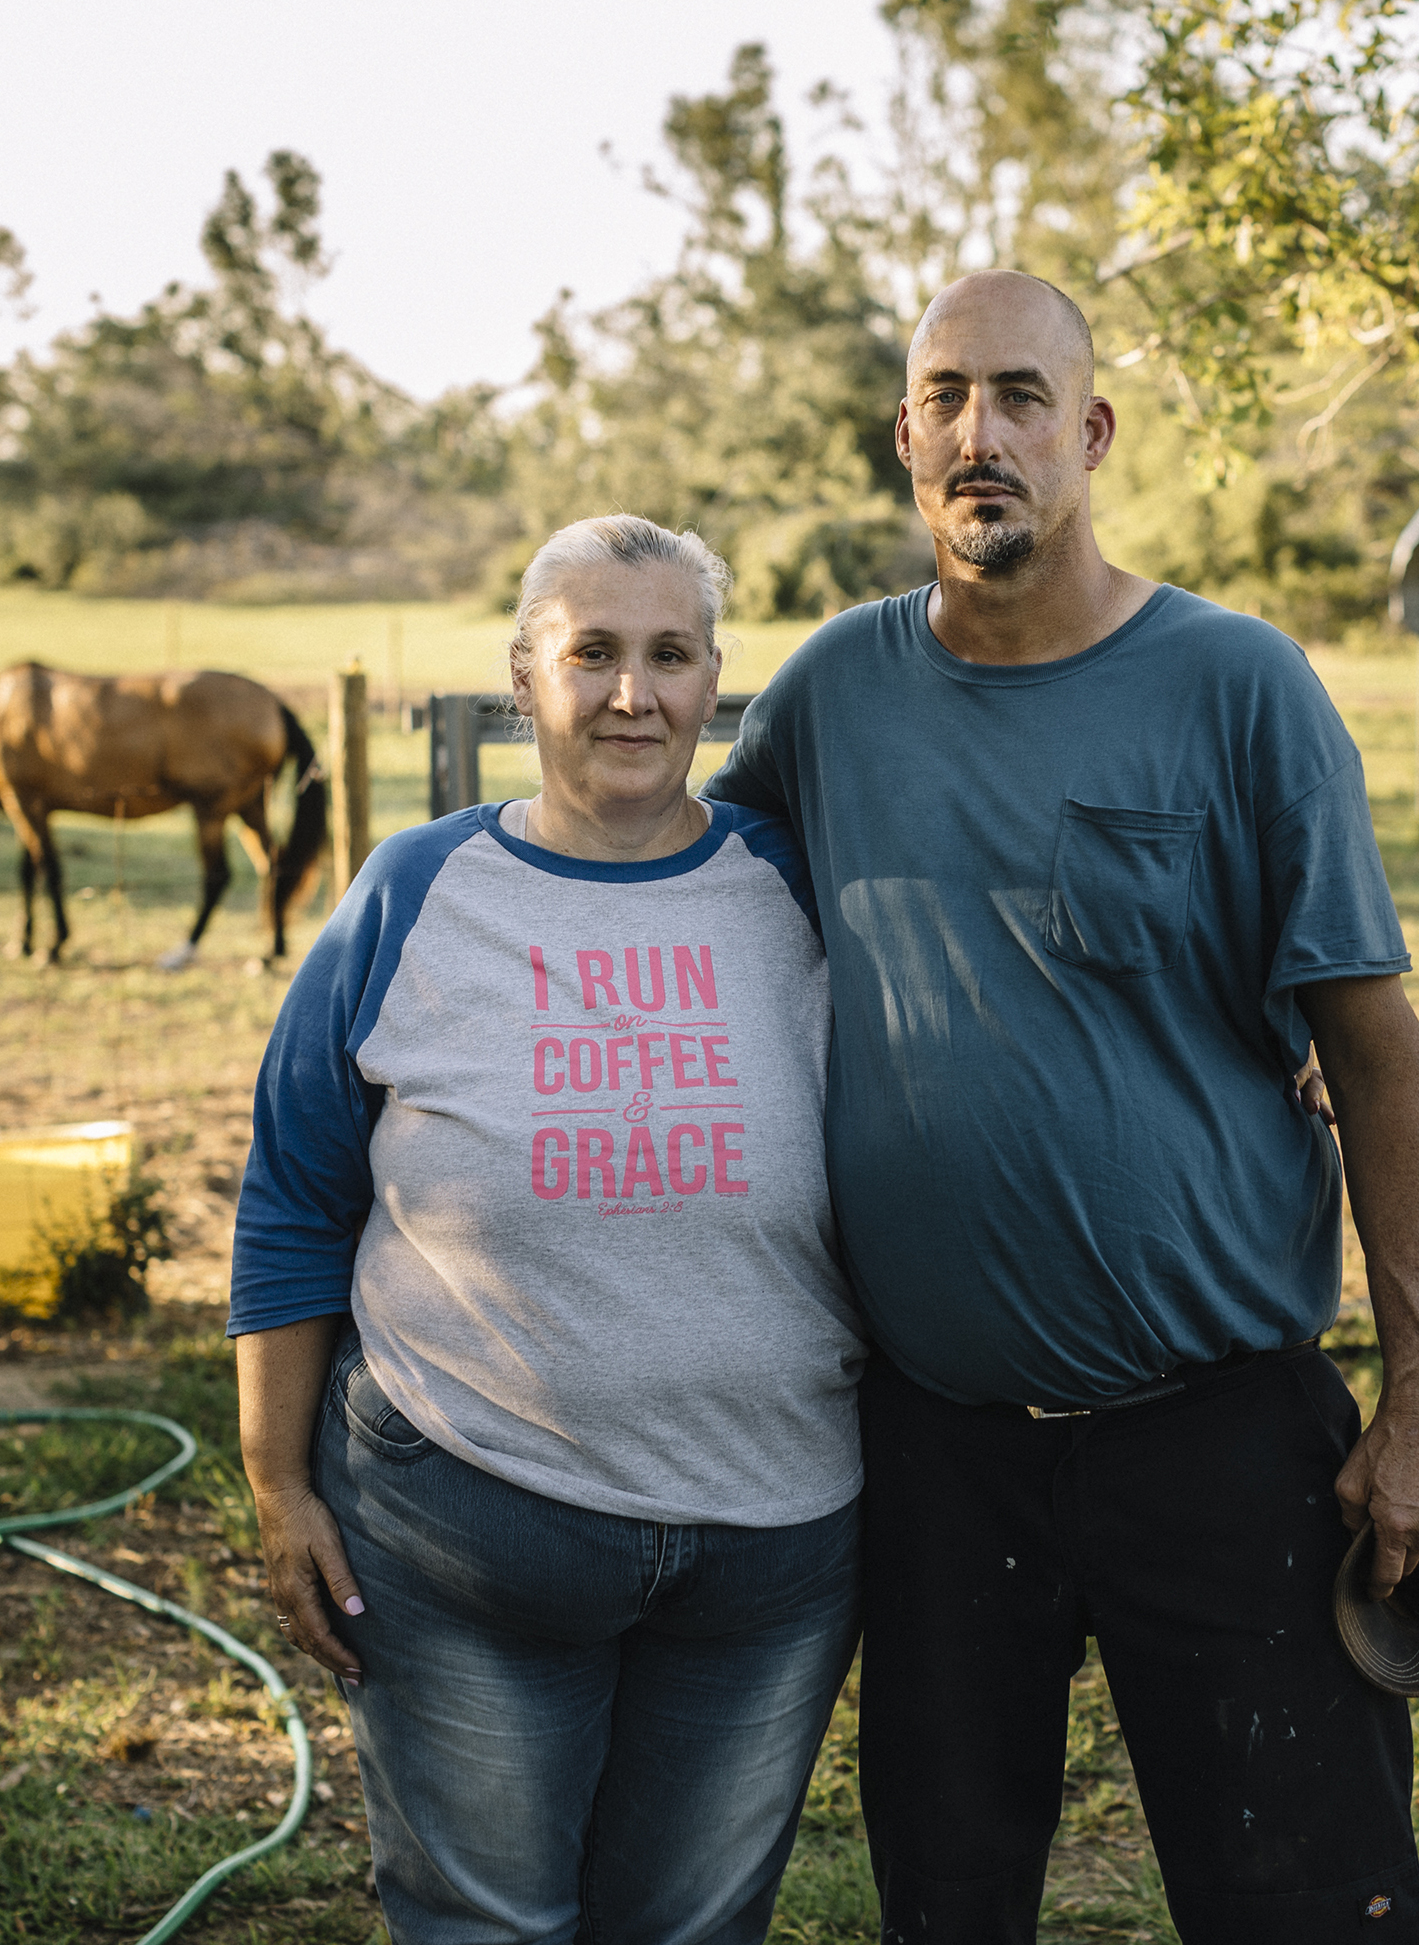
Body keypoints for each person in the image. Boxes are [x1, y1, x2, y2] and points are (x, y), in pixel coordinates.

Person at [702, 271, 1419, 1941]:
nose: (985, 436)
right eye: (948, 399)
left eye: (1024, 397)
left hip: (1221, 1430)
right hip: (935, 1446)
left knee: (1300, 1895)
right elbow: (681, 900)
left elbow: (1378, 1053)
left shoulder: (1237, 688)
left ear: (1093, 431)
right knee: (949, 1895)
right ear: (905, 438)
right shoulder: (830, 702)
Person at [229, 516, 865, 1945]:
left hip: (769, 1548)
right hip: (466, 1528)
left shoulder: (804, 892)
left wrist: (1275, 1039)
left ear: (715, 685)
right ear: (525, 677)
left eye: (670, 656)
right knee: (485, 1928)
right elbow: (291, 1199)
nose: (631, 695)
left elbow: (1002, 1005)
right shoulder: (412, 894)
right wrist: (280, 1486)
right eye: (591, 654)